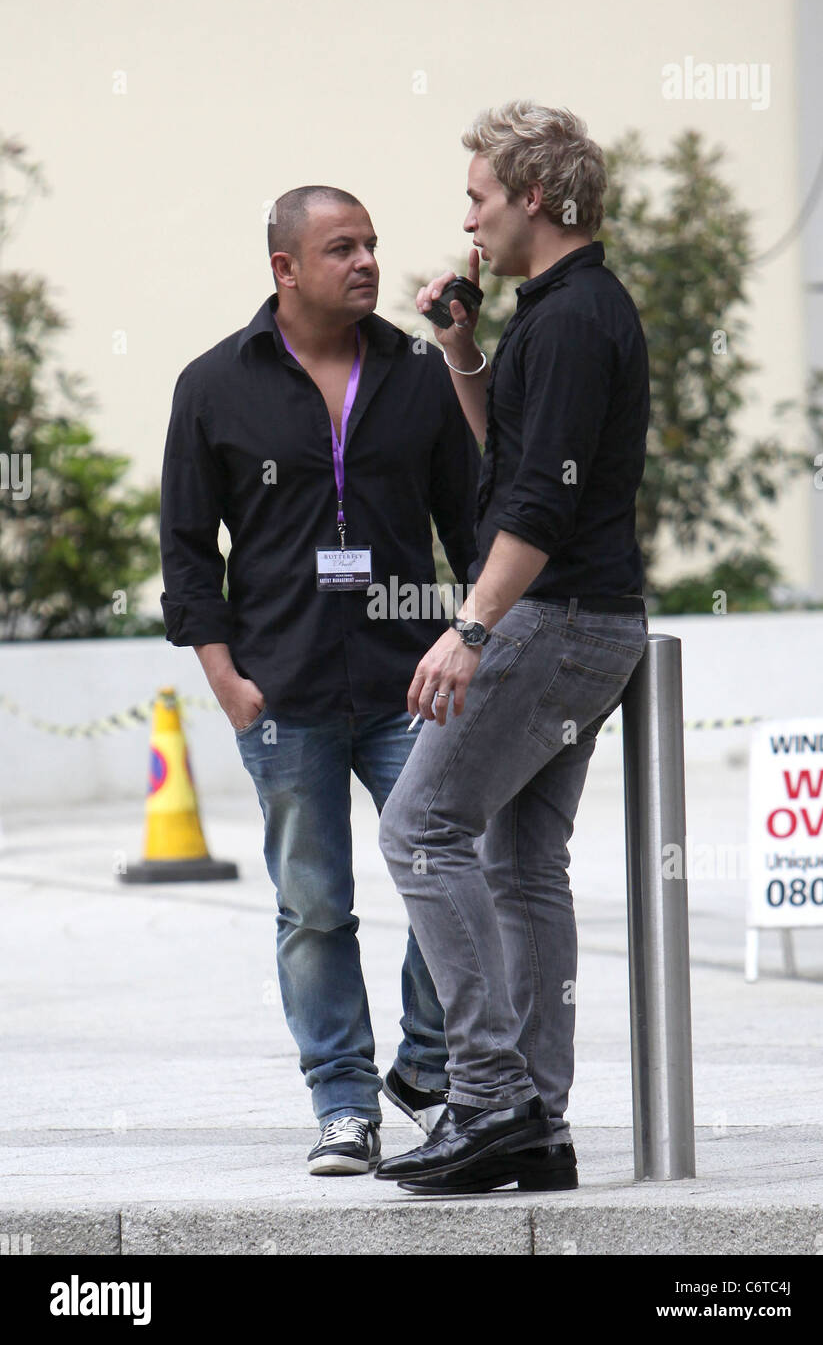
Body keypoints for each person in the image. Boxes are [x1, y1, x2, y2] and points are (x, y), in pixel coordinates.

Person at [159, 185, 479, 1175]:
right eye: (341, 247)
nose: (367, 262)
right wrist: (224, 679)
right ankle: (343, 1103)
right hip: (281, 691)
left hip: (409, 682)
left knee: (446, 874)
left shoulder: (419, 373)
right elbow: (183, 547)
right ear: (284, 269)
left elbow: (470, 521)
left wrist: (477, 638)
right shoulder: (214, 383)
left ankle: (423, 1067)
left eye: (372, 244)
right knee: (314, 907)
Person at [375, 101, 651, 1193]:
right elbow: (522, 458)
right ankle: (532, 1120)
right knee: (520, 862)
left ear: (536, 196)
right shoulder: (555, 315)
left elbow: (538, 500)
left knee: (421, 831)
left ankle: (488, 1098)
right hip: (585, 620)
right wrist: (460, 351)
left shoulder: (579, 318)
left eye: (481, 196)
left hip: (558, 619)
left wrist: (471, 627)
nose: (469, 218)